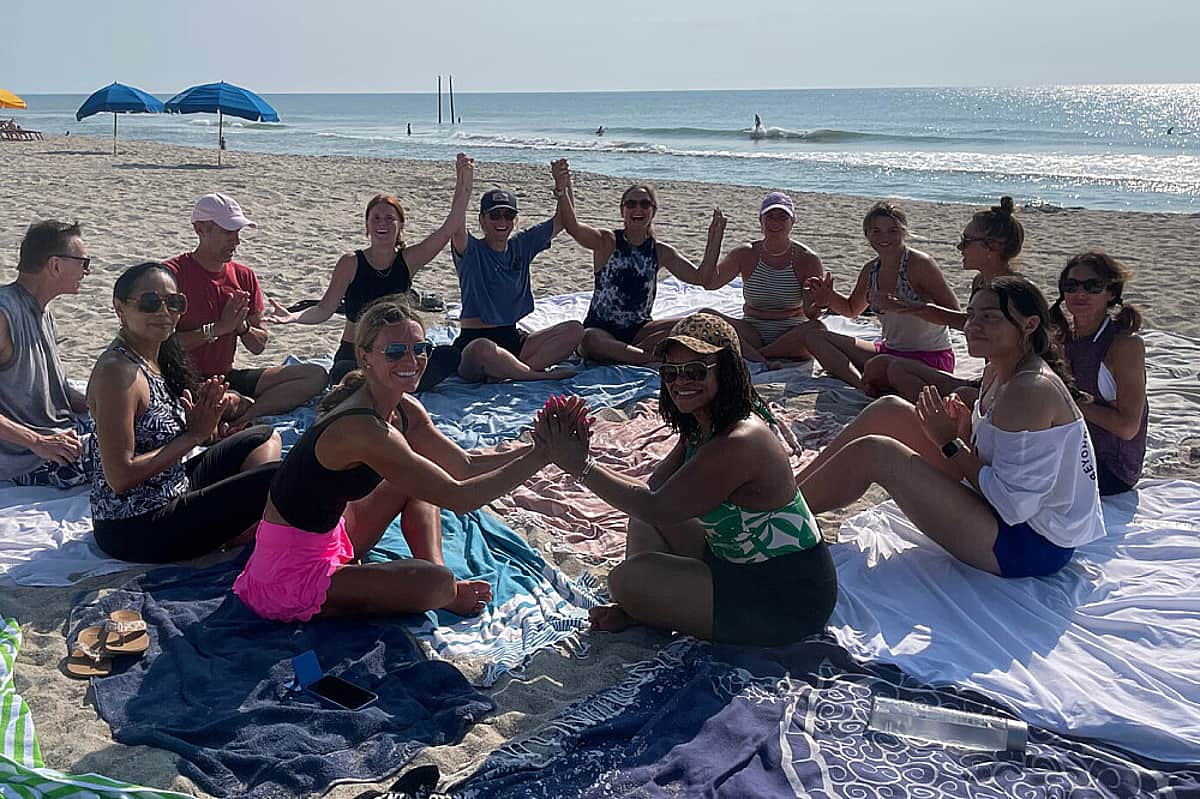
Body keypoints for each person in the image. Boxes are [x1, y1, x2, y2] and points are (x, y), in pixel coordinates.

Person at [233, 297, 556, 621]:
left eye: (420, 349)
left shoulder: (401, 408)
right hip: (288, 572)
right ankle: (444, 588)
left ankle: (443, 581)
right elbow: (459, 497)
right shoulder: (362, 428)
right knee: (435, 583)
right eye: (395, 352)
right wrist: (544, 456)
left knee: (420, 485)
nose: (412, 360)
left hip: (330, 537)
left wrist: (541, 447)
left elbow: (463, 466)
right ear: (365, 356)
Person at [533, 313, 836, 645]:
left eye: (695, 371)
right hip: (736, 565)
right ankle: (650, 608)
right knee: (641, 528)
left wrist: (580, 465)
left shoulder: (741, 440)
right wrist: (577, 453)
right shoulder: (703, 424)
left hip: (784, 601)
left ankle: (647, 607)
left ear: (727, 370)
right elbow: (653, 494)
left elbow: (657, 505)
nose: (680, 382)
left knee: (626, 580)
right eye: (670, 373)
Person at [796, 276, 1106, 578]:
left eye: (989, 317)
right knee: (888, 410)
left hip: (1029, 544)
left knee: (876, 452)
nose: (973, 326)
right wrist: (960, 432)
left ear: (1029, 325)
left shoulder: (1029, 388)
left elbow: (1013, 505)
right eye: (971, 315)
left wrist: (948, 442)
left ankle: (780, 518)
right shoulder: (999, 370)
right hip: (1005, 513)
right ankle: (788, 496)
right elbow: (1001, 462)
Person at [87, 263, 282, 563]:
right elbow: (120, 476)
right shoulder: (118, 372)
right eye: (150, 303)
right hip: (134, 527)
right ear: (119, 308)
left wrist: (202, 421)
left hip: (170, 488)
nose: (164, 312)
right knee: (278, 478)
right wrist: (194, 436)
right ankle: (256, 532)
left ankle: (247, 527)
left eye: (175, 302)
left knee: (262, 436)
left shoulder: (154, 356)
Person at [264, 154, 474, 386]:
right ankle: (390, 385)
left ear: (400, 226)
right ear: (367, 226)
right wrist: (292, 317)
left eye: (389, 218)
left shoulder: (409, 260)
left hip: (397, 353)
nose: (382, 223)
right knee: (344, 374)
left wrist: (464, 179)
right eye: (376, 218)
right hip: (357, 353)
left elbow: (449, 227)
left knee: (450, 356)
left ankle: (392, 383)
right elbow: (323, 309)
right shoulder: (351, 262)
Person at [166, 193, 327, 425]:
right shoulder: (171, 275)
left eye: (237, 233)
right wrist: (219, 328)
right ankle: (240, 407)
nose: (236, 241)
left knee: (315, 375)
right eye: (227, 232)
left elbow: (258, 345)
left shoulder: (244, 276)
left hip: (225, 376)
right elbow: (164, 346)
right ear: (200, 229)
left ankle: (246, 416)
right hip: (181, 380)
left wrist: (240, 327)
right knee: (224, 401)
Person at [553, 158, 724, 365]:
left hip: (640, 332)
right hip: (601, 330)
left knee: (695, 322)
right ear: (622, 210)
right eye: (631, 204)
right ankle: (651, 358)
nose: (638, 209)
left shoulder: (660, 251)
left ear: (653, 211)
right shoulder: (607, 241)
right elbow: (573, 227)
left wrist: (714, 239)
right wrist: (563, 189)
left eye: (645, 204)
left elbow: (702, 278)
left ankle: (634, 354)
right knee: (588, 340)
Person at [865, 196, 1024, 401]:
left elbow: (968, 323)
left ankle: (935, 417)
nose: (960, 247)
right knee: (888, 368)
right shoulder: (981, 282)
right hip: (989, 378)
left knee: (958, 393)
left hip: (1009, 386)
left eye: (966, 241)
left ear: (991, 248)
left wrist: (908, 307)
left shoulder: (1011, 289)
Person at [802, 201, 958, 393]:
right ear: (867, 234)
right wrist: (829, 297)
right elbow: (851, 310)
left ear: (903, 232)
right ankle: (861, 384)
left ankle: (870, 379)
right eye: (876, 231)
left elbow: (953, 313)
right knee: (814, 338)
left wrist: (902, 306)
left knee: (880, 367)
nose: (884, 237)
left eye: (892, 231)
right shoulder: (871, 269)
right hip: (889, 352)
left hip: (929, 357)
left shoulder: (920, 264)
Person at [449, 182, 583, 382]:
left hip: (512, 337)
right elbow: (456, 225)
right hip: (475, 339)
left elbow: (563, 220)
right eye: (494, 215)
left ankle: (514, 371)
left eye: (508, 215)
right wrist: (464, 180)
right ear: (482, 220)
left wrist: (563, 185)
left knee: (575, 330)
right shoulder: (472, 250)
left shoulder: (521, 245)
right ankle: (529, 375)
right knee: (483, 349)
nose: (502, 221)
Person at [0, 221, 93, 488]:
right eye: (83, 262)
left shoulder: (44, 311)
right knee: (130, 455)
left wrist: (100, 404)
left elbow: (52, 391)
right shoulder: (5, 313)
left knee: (148, 426)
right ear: (55, 265)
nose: (87, 272)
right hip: (27, 456)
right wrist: (38, 442)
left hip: (59, 433)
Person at [1050, 251, 1147, 495]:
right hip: (1067, 448)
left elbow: (1127, 427)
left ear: (1111, 293)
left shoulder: (1124, 345)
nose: (1080, 294)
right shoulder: (1062, 337)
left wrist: (1065, 403)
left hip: (1111, 467)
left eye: (1093, 286)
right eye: (1071, 286)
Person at [700, 191, 824, 367]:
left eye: (782, 217)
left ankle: (758, 356)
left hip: (791, 333)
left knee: (817, 329)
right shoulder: (746, 253)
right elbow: (710, 283)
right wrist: (715, 241)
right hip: (752, 330)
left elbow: (811, 314)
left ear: (792, 222)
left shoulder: (807, 258)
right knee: (705, 315)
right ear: (761, 221)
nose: (775, 222)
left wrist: (821, 304)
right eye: (770, 217)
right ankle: (760, 356)